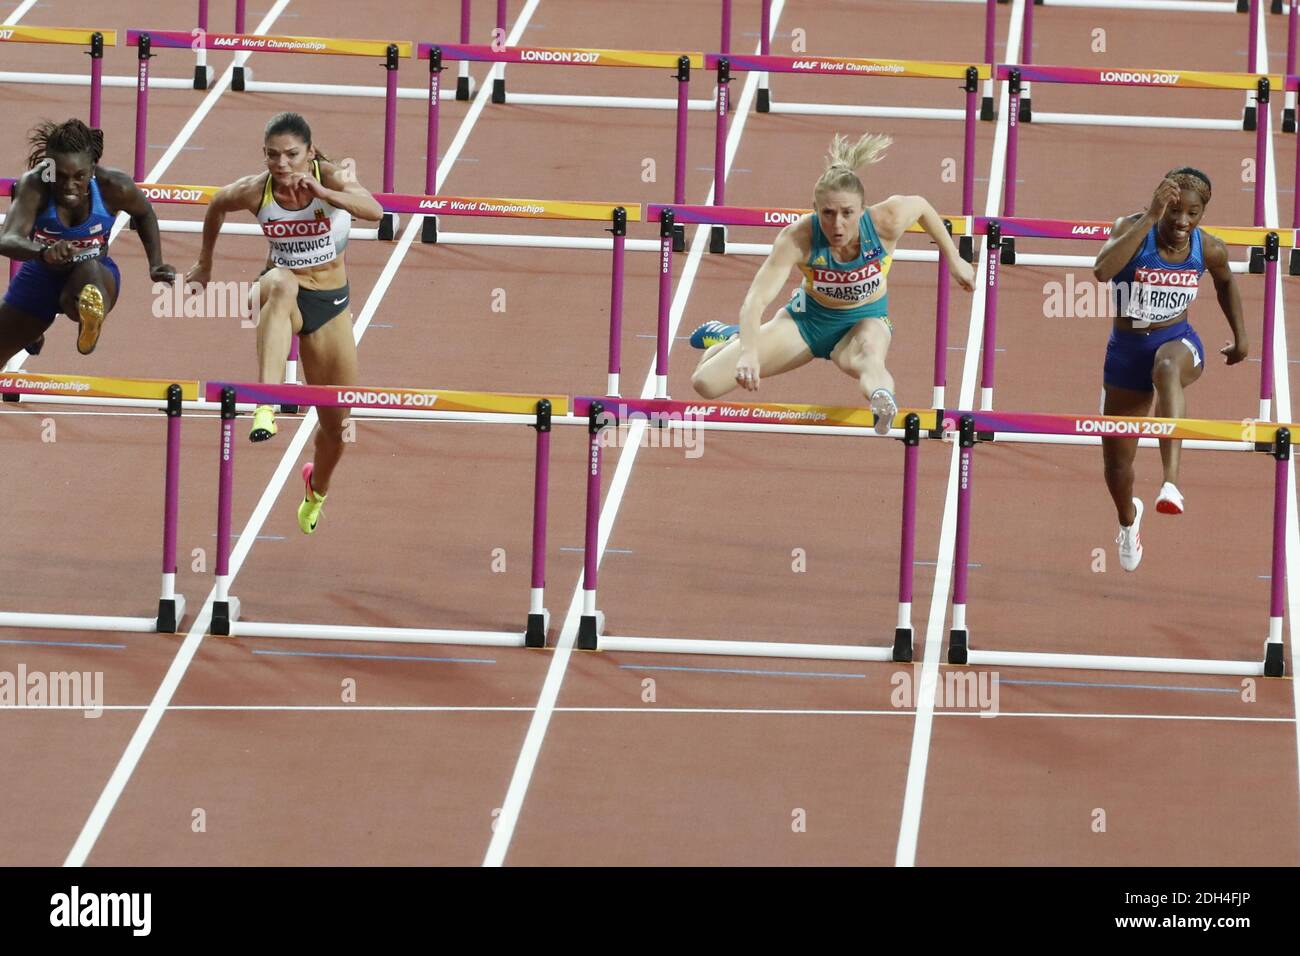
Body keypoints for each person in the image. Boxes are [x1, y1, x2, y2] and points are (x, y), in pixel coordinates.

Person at [687, 132, 975, 436]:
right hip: (806, 323)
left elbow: (921, 206)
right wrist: (748, 352)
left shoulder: (886, 220)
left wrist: (954, 258)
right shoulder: (797, 238)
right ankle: (735, 338)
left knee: (869, 357)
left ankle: (882, 401)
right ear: (815, 208)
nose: (837, 224)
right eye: (827, 213)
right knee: (705, 384)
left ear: (862, 210)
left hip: (865, 320)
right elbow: (755, 301)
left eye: (847, 213)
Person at [187, 112, 383, 535]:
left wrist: (323, 190)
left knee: (336, 428)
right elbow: (217, 204)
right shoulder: (257, 191)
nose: (282, 163)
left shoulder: (330, 176)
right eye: (273, 155)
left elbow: (375, 210)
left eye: (291, 155)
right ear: (265, 157)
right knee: (281, 283)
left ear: (309, 153)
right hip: (278, 291)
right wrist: (204, 264)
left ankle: (316, 490)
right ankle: (265, 404)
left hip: (329, 303)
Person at [1093, 168, 1247, 572]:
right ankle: (1128, 520)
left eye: (1192, 214)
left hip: (1179, 344)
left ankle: (1171, 483)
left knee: (1165, 366)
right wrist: (1149, 217)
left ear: (1202, 214)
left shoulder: (1208, 248)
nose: (1182, 222)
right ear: (1162, 204)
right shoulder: (1132, 228)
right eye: (1174, 211)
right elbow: (1102, 271)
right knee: (1117, 468)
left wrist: (1241, 337)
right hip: (1126, 355)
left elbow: (1226, 281)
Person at [0, 119, 175, 363]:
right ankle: (38, 323)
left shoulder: (114, 186)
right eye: (60, 177)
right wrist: (43, 251)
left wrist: (155, 264)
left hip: (94, 277)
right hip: (41, 276)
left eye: (79, 176)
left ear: (92, 169)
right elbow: (7, 238)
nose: (69, 186)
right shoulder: (34, 185)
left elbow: (144, 212)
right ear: (48, 167)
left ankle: (89, 319)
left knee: (88, 269)